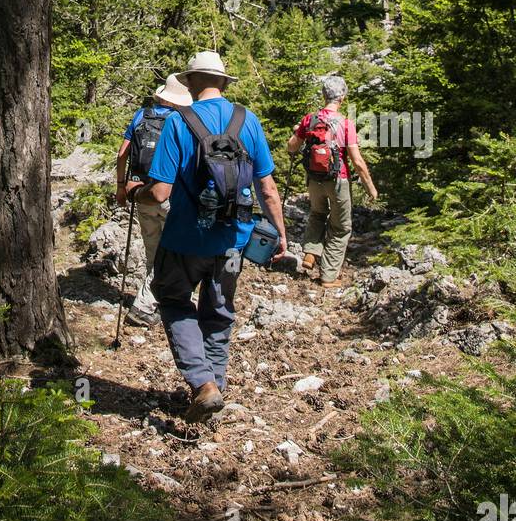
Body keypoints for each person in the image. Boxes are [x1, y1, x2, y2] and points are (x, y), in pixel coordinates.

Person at [128, 51, 287, 422]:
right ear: (224, 83)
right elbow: (267, 186)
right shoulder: (248, 121)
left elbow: (161, 192)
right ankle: (215, 387)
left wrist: (135, 191)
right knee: (219, 312)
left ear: (191, 83)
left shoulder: (178, 123)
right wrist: (281, 233)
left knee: (173, 299)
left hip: (184, 238)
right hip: (234, 239)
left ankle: (202, 385)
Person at [286, 74, 378, 288]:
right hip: (338, 180)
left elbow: (292, 146)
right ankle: (328, 276)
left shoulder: (310, 119)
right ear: (342, 98)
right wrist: (370, 188)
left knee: (317, 214)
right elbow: (357, 161)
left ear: (323, 95)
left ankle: (310, 253)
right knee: (340, 227)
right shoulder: (345, 124)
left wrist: (297, 132)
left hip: (314, 179)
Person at [116, 74, 192, 326]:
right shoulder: (181, 120)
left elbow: (121, 154)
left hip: (141, 193)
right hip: (170, 195)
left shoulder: (141, 115)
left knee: (154, 254)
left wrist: (121, 188)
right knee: (177, 255)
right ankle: (143, 307)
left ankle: (160, 302)